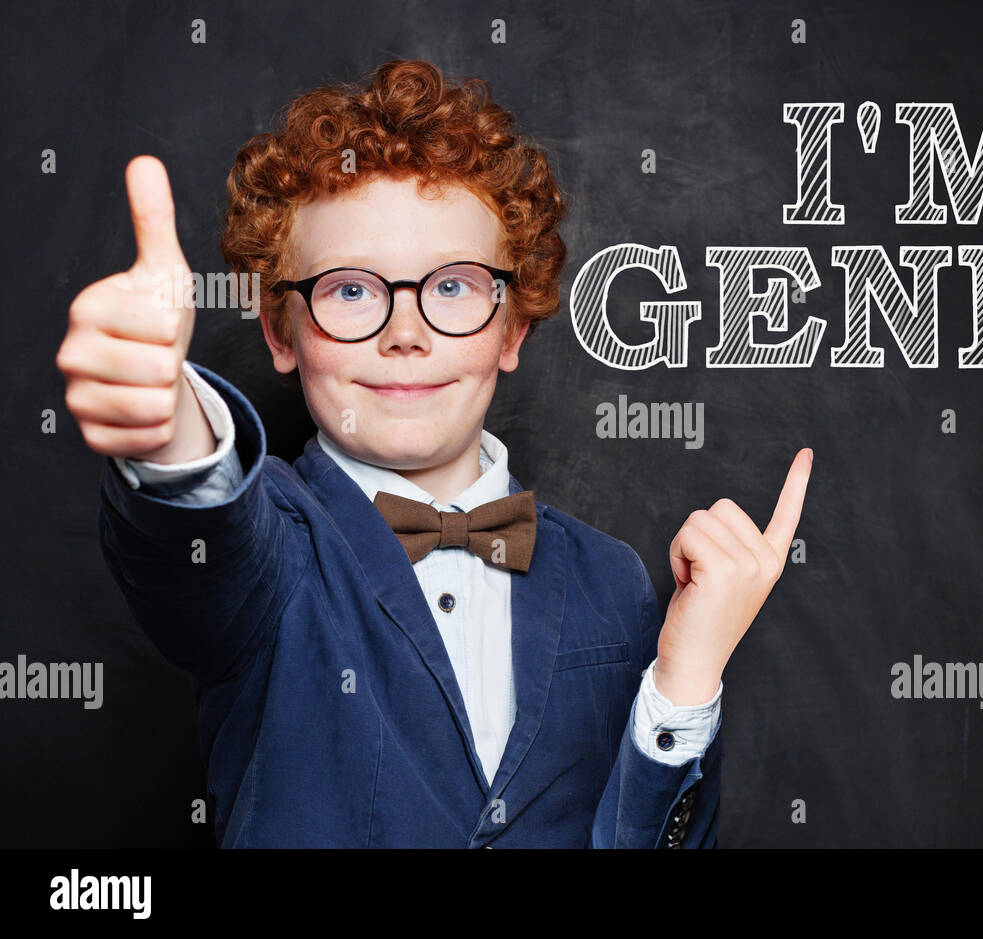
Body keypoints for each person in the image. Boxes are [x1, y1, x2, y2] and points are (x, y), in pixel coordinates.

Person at [57, 59, 812, 847]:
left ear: (512, 326)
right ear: (282, 331)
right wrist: (166, 418)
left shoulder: (613, 580)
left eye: (452, 287)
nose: (405, 332)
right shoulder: (273, 545)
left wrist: (683, 683)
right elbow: (197, 535)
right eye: (350, 289)